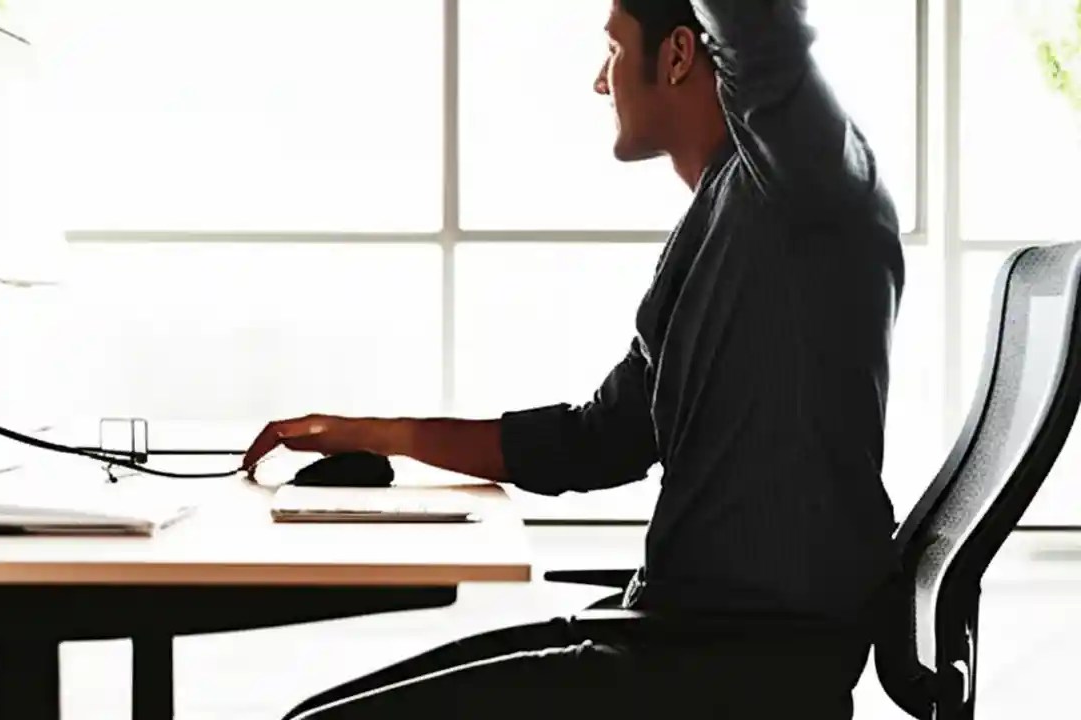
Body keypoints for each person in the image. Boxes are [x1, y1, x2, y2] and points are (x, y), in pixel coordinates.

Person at [243, 0, 905, 716]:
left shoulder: (807, 185)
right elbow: (596, 443)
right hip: (676, 636)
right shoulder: (721, 219)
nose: (601, 81)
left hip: (731, 665)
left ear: (679, 55)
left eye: (615, 51)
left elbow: (762, 32)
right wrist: (381, 438)